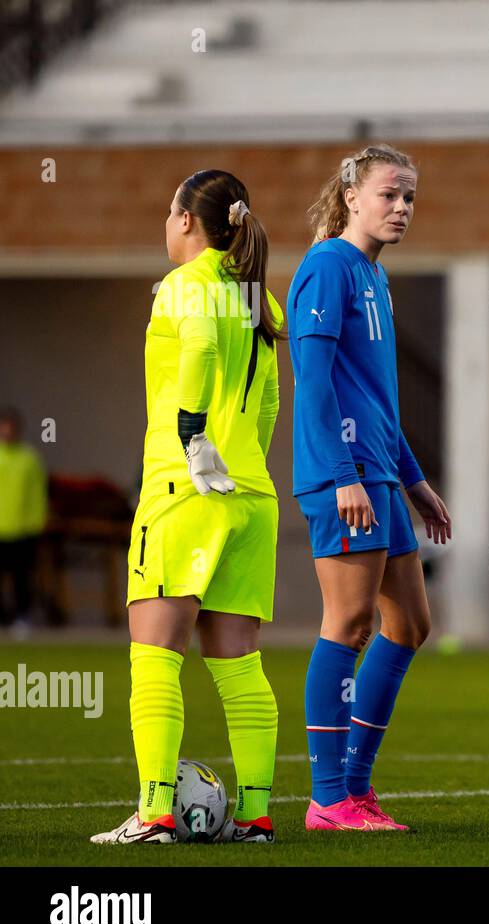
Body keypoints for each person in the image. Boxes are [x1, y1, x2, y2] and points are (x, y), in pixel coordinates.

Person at [92, 170, 284, 844]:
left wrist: (193, 436)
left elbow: (200, 346)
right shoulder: (259, 298)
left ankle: (154, 814)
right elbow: (268, 404)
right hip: (251, 498)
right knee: (239, 664)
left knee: (156, 655)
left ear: (184, 220)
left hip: (184, 489)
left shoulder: (184, 286)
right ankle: (256, 816)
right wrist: (241, 459)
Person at [290, 144, 451, 832]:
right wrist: (343, 474)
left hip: (381, 476)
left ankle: (354, 788)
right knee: (349, 624)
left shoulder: (374, 279)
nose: (402, 208)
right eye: (389, 194)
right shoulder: (327, 266)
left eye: (410, 197)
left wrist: (416, 482)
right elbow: (314, 383)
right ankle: (329, 797)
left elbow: (376, 400)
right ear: (352, 194)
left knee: (410, 625)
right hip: (344, 478)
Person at [0, 407, 48, 636]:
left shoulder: (29, 458)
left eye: (10, 425)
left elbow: (38, 493)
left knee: (21, 577)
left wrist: (37, 523)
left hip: (22, 528)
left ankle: (22, 617)